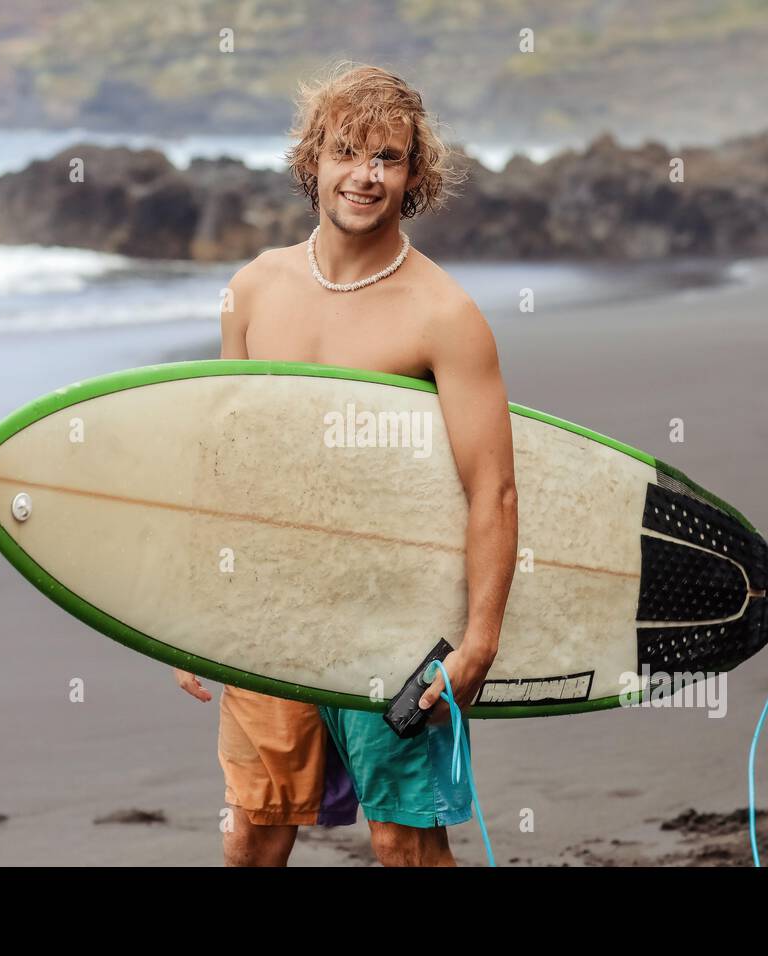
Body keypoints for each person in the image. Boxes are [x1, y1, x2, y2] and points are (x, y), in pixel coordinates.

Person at [173, 62, 518, 867]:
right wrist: (185, 618)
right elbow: (223, 465)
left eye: (388, 157)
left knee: (404, 842)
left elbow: (493, 489)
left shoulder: (445, 315)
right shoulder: (254, 290)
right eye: (347, 152)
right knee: (254, 835)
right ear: (313, 160)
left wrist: (480, 641)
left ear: (415, 174)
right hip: (270, 607)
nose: (365, 175)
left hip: (393, 614)